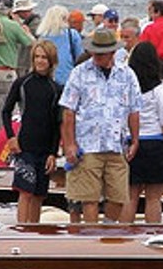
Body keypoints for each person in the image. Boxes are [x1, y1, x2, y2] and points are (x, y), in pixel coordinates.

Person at [60, 28, 141, 224]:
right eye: (94, 52)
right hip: (87, 144)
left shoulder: (127, 74)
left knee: (119, 196)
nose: (95, 57)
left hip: (116, 144)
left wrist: (135, 140)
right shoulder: (79, 73)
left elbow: (134, 110)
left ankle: (106, 229)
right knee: (89, 198)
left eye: (100, 53)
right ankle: (91, 237)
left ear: (112, 53)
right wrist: (70, 144)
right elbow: (68, 111)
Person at [1, 40, 62, 223]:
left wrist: (53, 153)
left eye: (44, 57)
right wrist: (11, 137)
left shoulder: (56, 89)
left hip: (45, 150)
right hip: (24, 146)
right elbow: (5, 111)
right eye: (37, 57)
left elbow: (57, 124)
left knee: (39, 195)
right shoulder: (22, 83)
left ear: (51, 61)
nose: (40, 61)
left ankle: (34, 231)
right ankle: (21, 229)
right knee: (25, 192)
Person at [120, 42, 163, 223]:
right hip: (156, 143)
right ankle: (152, 233)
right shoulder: (160, 88)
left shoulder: (127, 86)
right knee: (154, 198)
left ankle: (124, 236)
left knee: (130, 196)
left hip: (132, 142)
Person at [37, 5, 83, 86]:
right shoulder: (71, 34)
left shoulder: (42, 36)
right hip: (67, 78)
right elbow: (80, 57)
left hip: (47, 79)